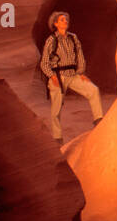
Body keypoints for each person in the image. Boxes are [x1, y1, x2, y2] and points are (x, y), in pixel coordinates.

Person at [41, 10, 103, 142]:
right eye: (62, 20)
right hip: (58, 76)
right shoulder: (51, 40)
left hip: (73, 75)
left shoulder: (73, 38)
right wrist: (52, 76)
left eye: (66, 20)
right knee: (56, 110)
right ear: (56, 24)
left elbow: (80, 57)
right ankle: (57, 138)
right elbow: (44, 62)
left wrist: (81, 73)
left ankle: (98, 119)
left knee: (93, 90)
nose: (65, 22)